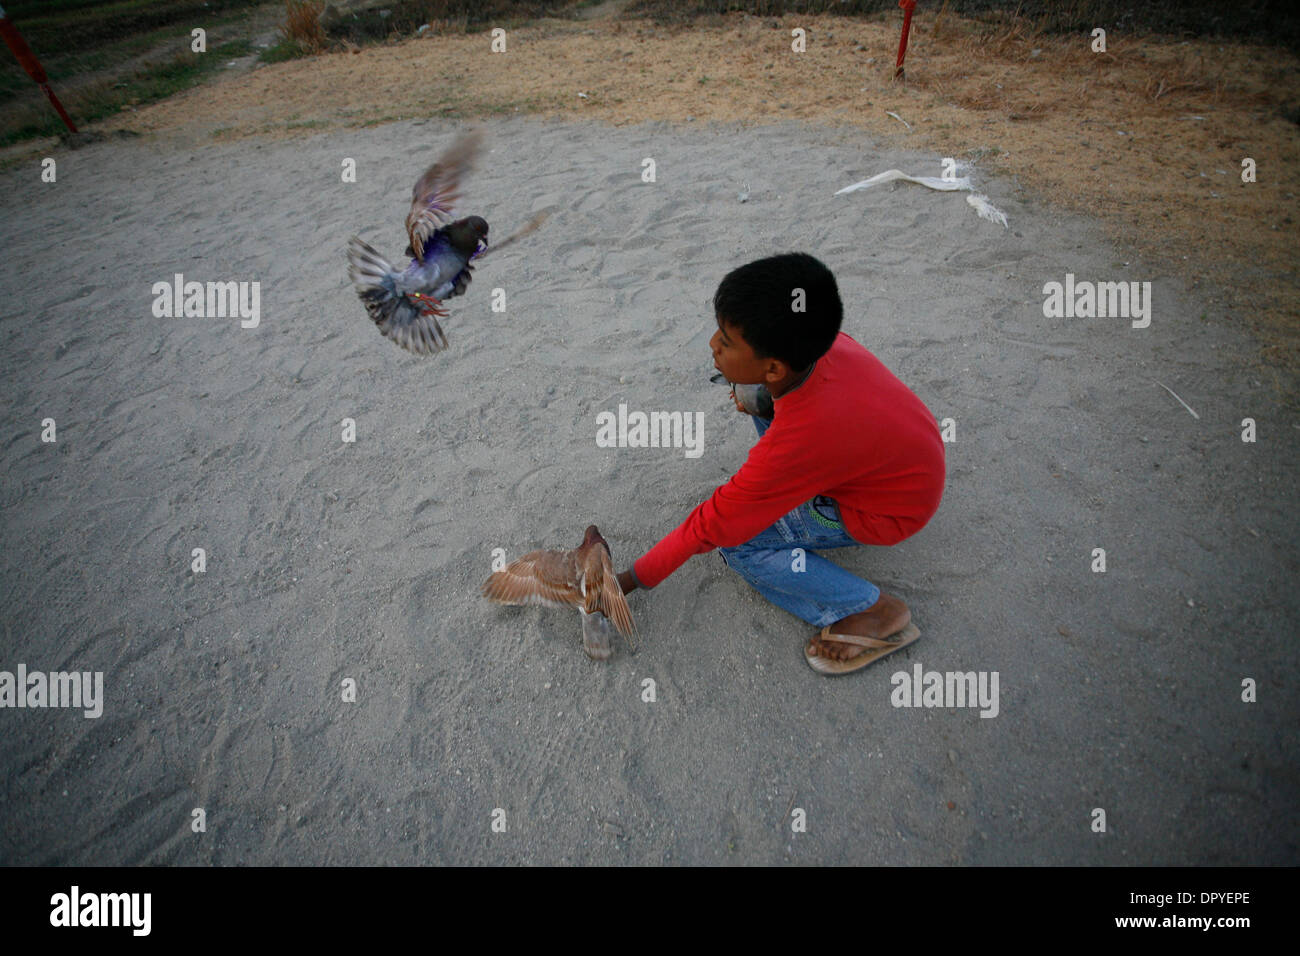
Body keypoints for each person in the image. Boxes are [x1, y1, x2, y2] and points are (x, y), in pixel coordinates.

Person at [615, 252, 946, 674]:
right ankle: (785, 459)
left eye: (727, 342)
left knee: (738, 542)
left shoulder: (803, 438)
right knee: (759, 402)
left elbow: (710, 526)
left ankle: (873, 610)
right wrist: (761, 398)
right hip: (910, 461)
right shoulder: (821, 343)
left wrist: (626, 581)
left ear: (773, 366)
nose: (713, 345)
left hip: (888, 511)